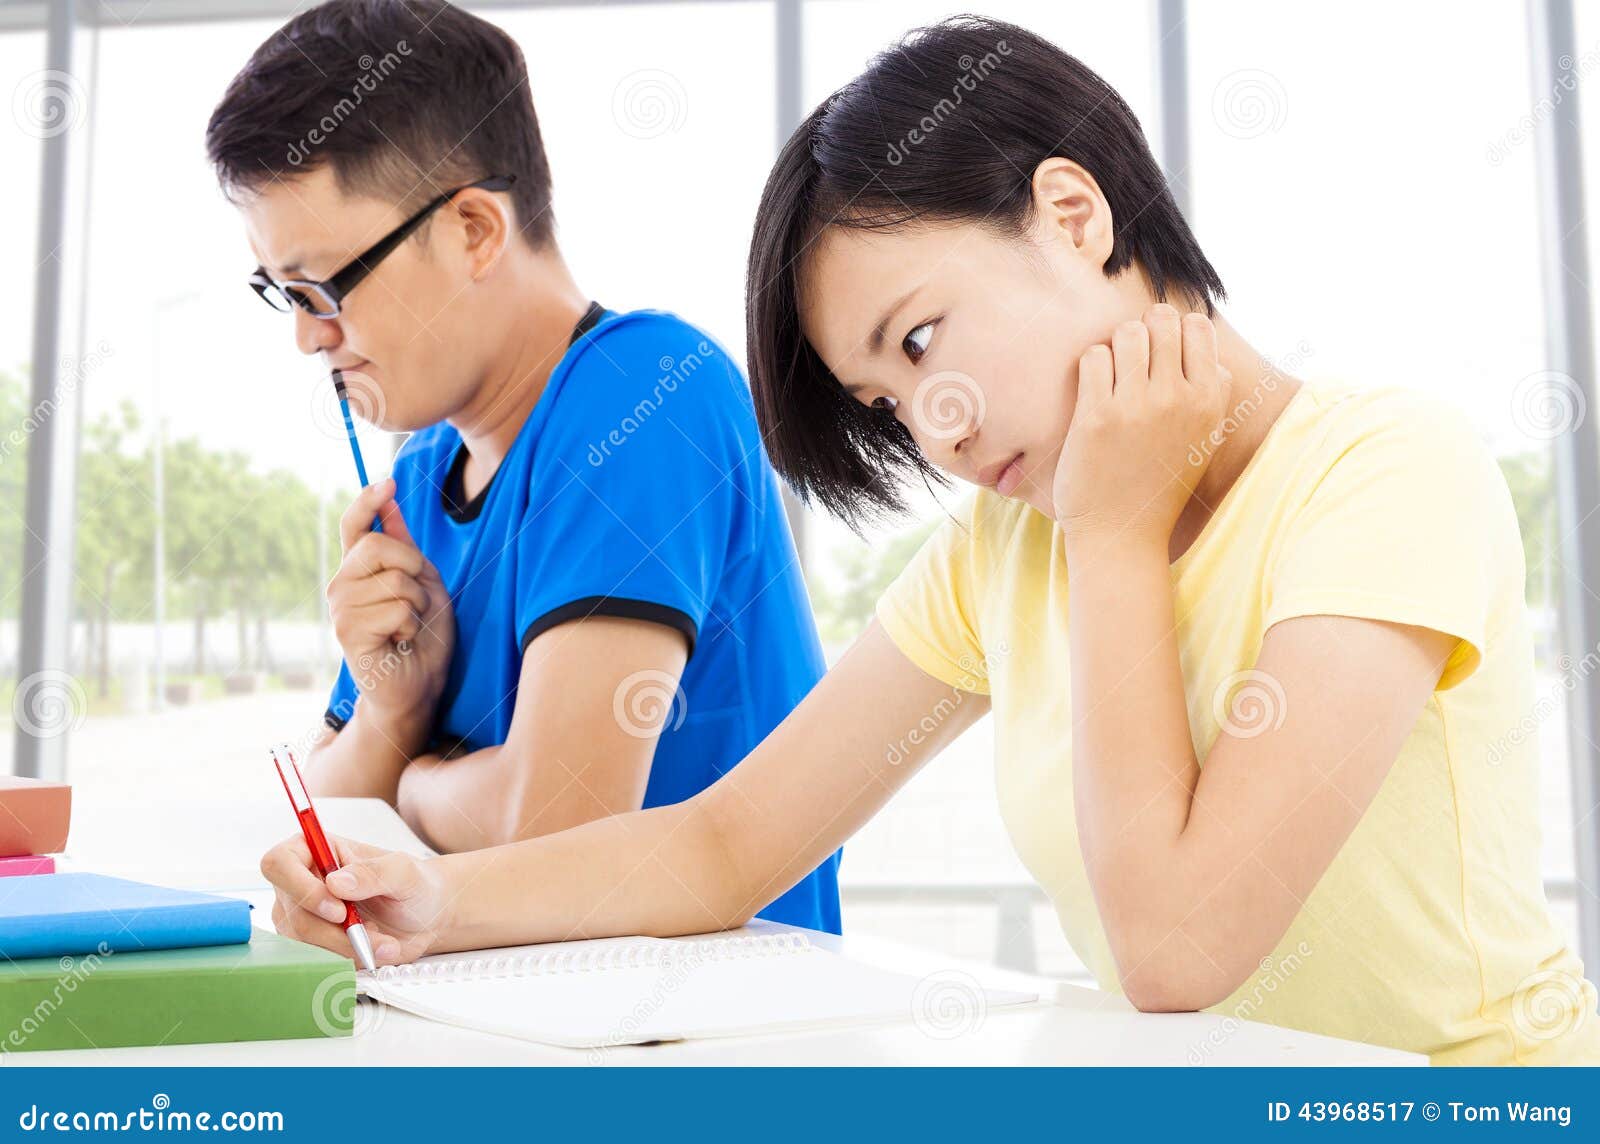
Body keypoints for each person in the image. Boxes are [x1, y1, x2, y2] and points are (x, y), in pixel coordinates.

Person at [261, 15, 1599, 1063]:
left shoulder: (1383, 467)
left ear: (1073, 216)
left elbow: (1180, 946)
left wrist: (1117, 533)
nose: (937, 435)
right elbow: (726, 846)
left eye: (919, 343)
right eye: (885, 405)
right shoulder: (1003, 549)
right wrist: (435, 903)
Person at [212, 0, 839, 932]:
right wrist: (391, 716)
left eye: (324, 287)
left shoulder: (646, 395)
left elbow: (556, 824)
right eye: (284, 295)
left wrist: (409, 782)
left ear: (473, 229)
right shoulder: (419, 475)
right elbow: (322, 835)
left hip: (698, 1045)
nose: (309, 336)